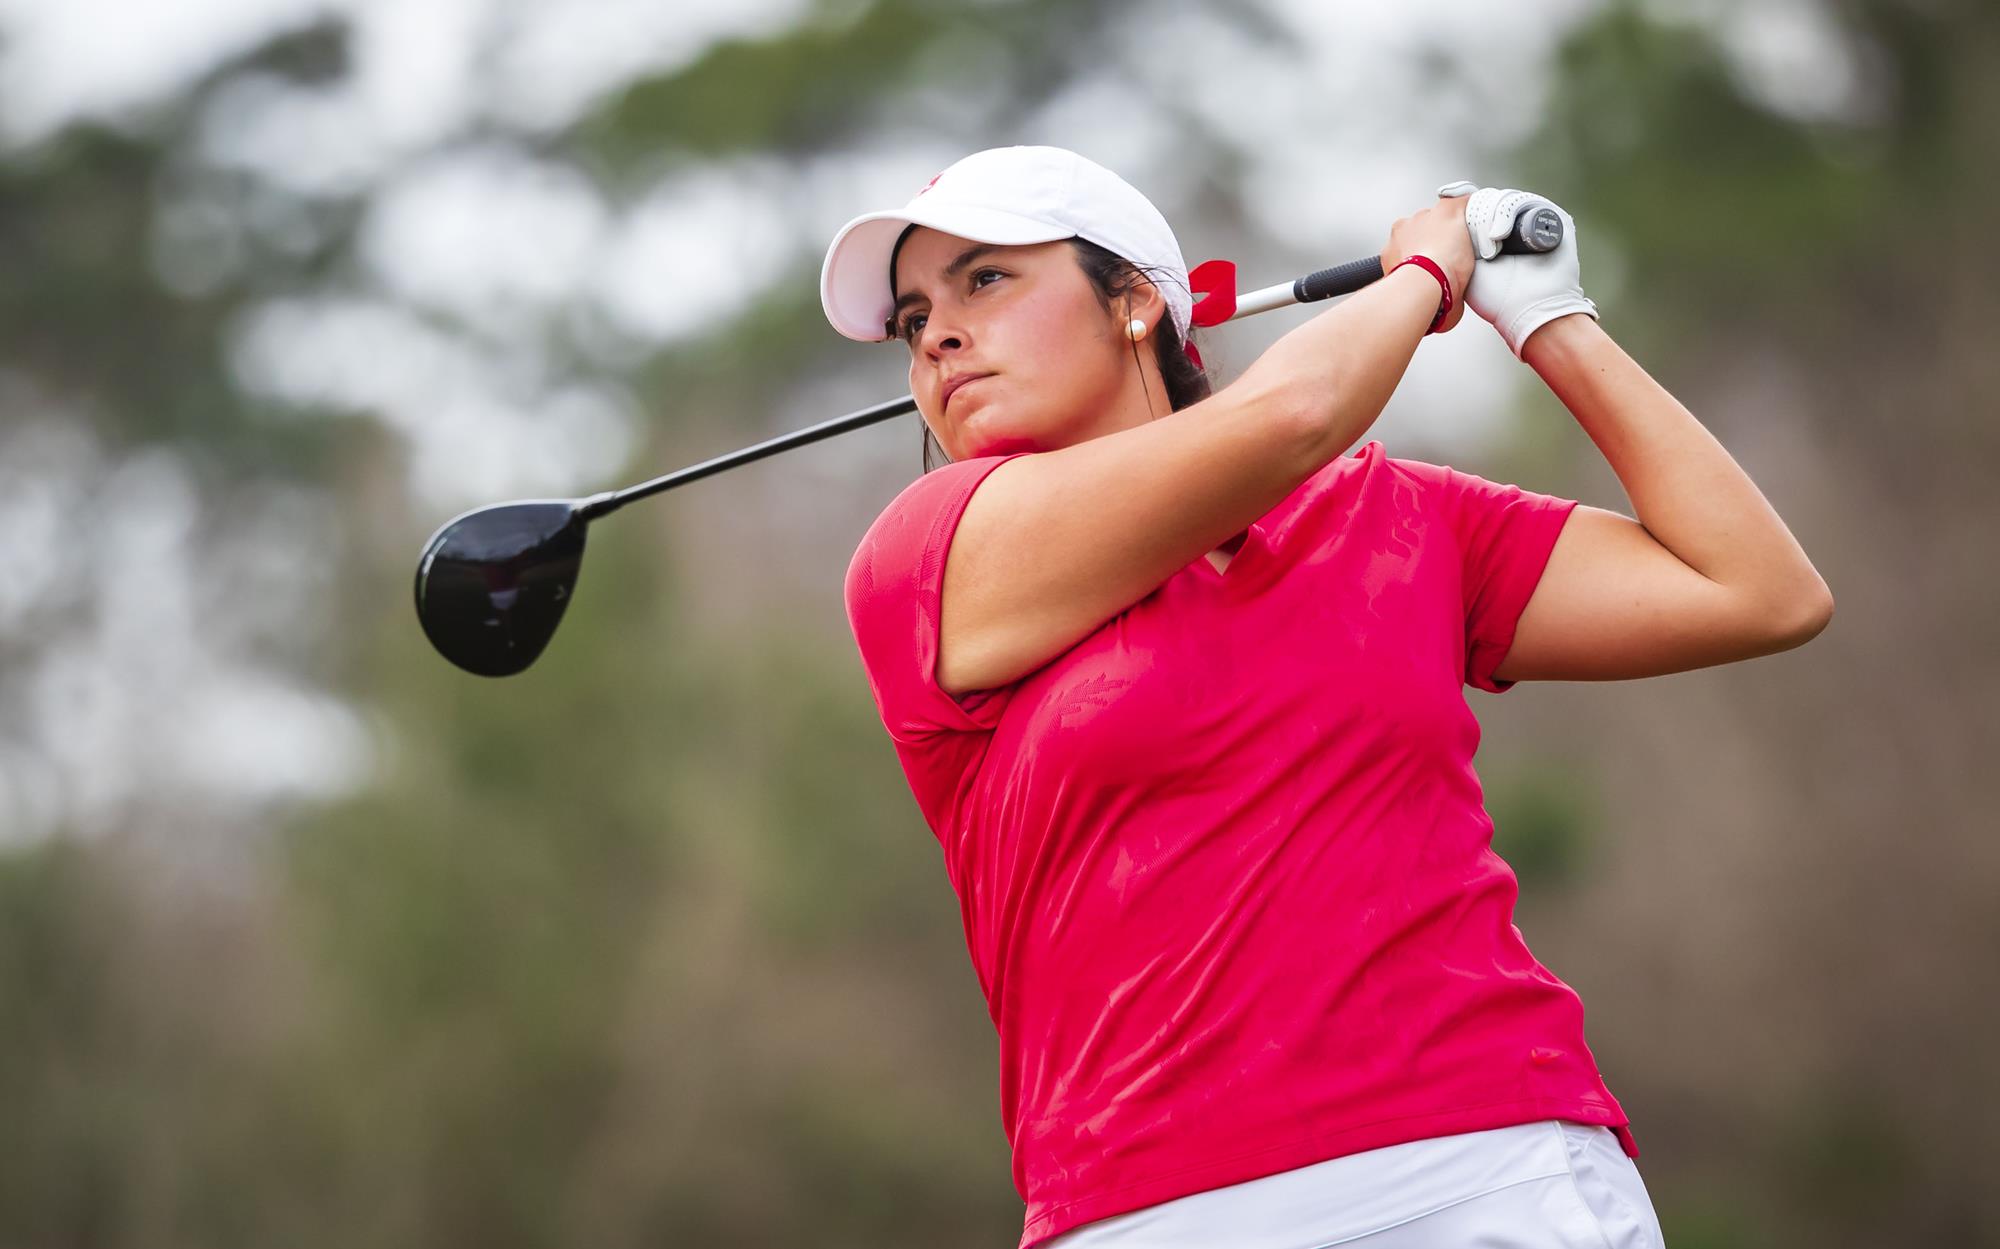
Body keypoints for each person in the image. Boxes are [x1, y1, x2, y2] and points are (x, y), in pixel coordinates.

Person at [820, 145, 1830, 1249]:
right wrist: (1426, 276)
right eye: (914, 319)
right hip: (1143, 1209)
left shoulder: (1391, 515)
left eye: (985, 281)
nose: (939, 335)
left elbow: (1755, 590)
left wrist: (1546, 317)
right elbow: (1293, 414)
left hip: (1486, 1163)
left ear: (1134, 302)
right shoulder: (924, 557)